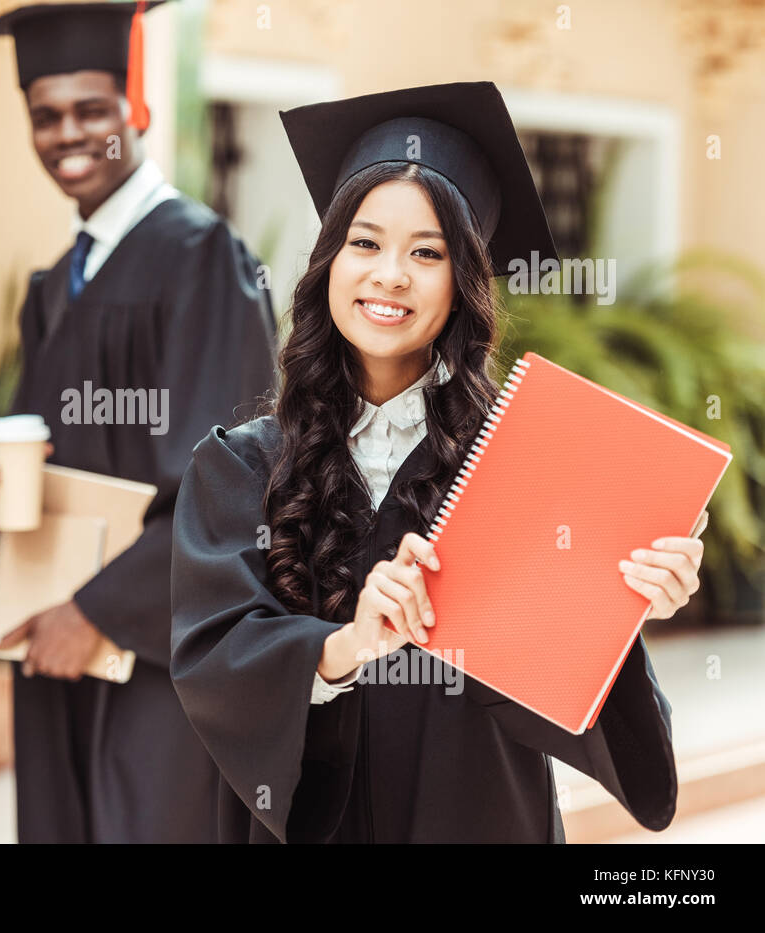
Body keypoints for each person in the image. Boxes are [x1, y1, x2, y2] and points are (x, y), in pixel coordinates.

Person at [168, 81, 704, 843]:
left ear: (464, 285)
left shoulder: (523, 463)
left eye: (428, 252)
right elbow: (212, 657)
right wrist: (348, 645)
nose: (390, 274)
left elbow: (569, 675)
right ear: (329, 261)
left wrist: (624, 606)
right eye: (365, 242)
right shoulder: (242, 468)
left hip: (482, 815)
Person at [0, 0, 277, 842]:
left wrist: (102, 609)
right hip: (60, 636)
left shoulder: (200, 257)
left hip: (156, 652)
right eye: (46, 115)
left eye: (91, 110)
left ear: (134, 109)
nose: (68, 134)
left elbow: (231, 484)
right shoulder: (58, 278)